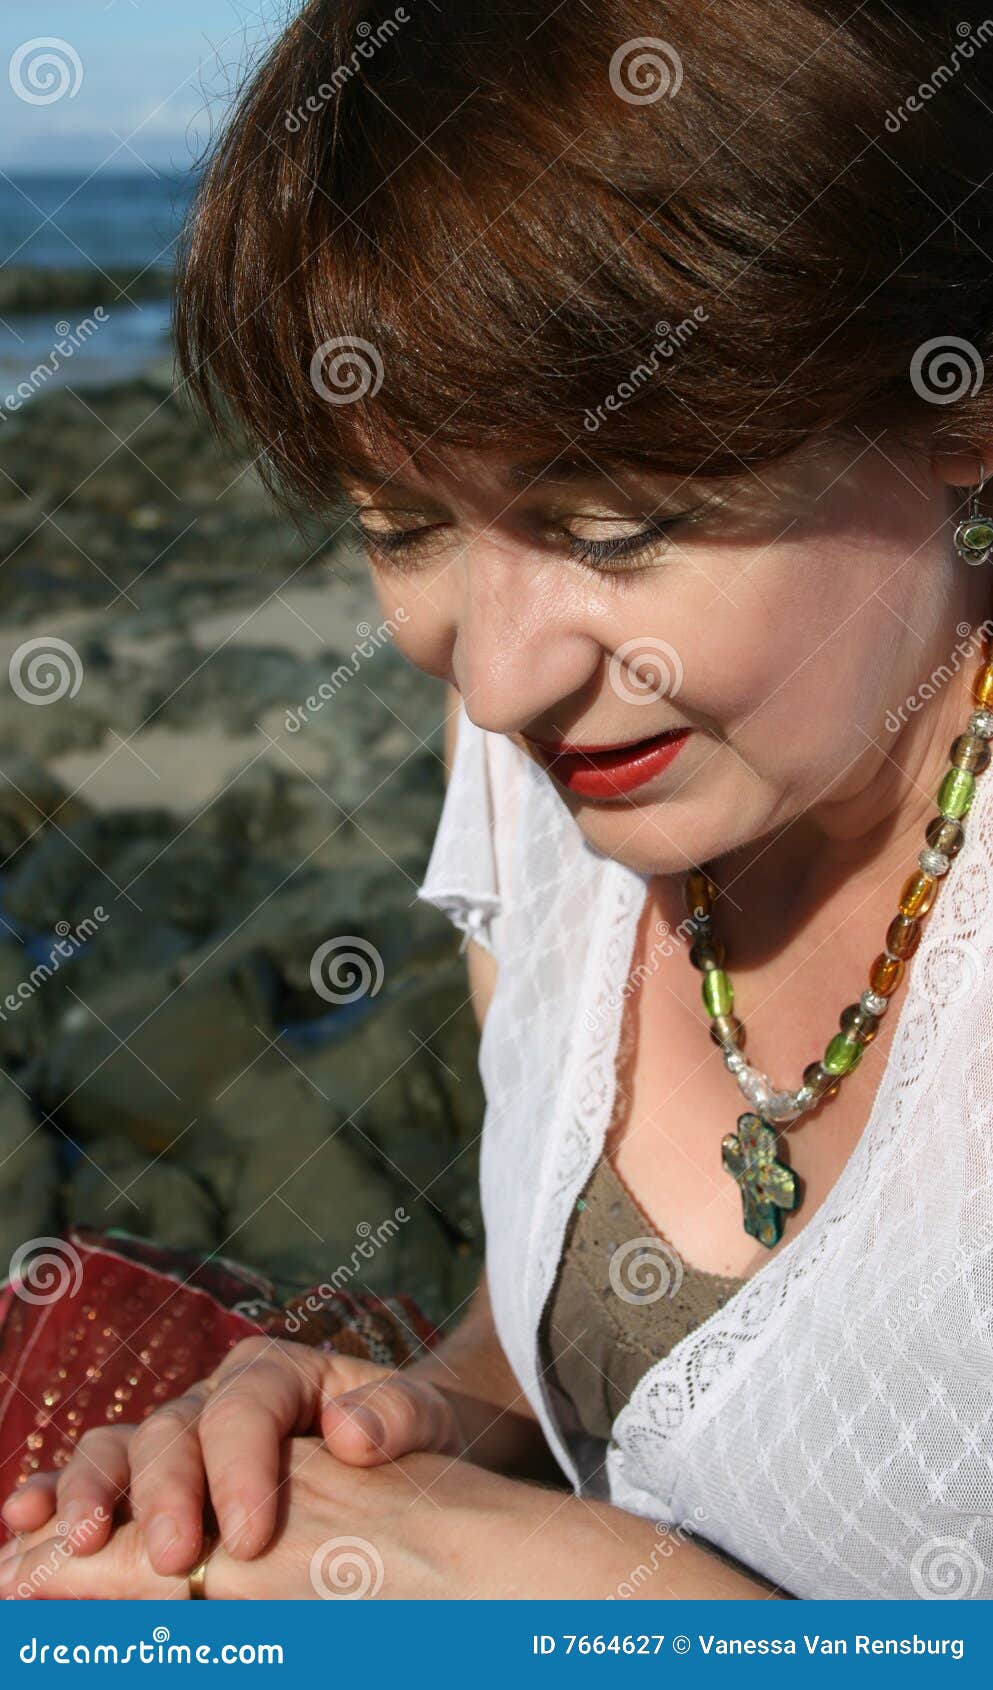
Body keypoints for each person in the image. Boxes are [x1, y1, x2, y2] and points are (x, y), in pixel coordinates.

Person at [3, 0, 993, 1601]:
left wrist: (609, 1601)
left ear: (957, 409)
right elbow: (565, 1347)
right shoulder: (558, 786)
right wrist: (400, 1424)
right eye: (401, 526)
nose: (500, 676)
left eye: (612, 526)